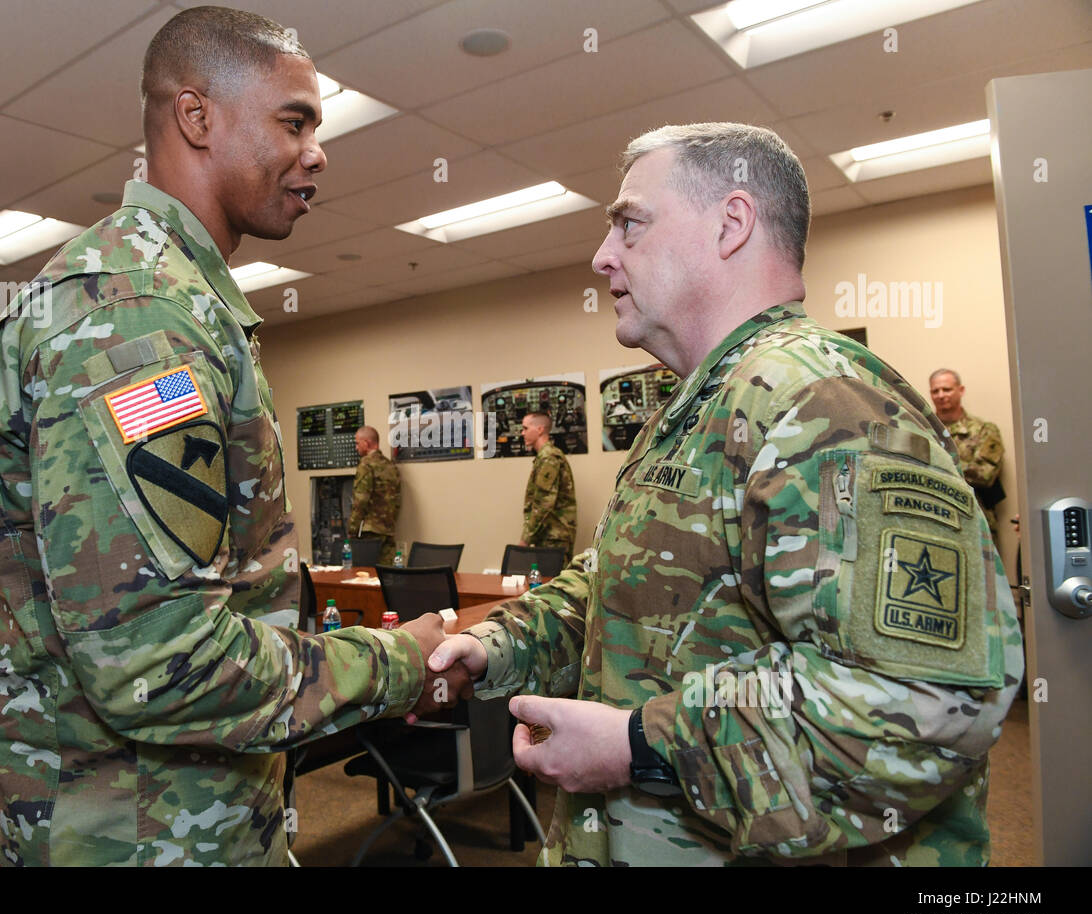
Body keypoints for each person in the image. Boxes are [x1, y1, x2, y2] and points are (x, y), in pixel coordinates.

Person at [431, 123, 1023, 866]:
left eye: (629, 224)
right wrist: (496, 647)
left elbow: (922, 704)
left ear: (731, 225)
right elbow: (622, 590)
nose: (602, 255)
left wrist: (640, 745)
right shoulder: (693, 411)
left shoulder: (824, 403)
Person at [0, 6, 465, 867]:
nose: (318, 152)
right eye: (294, 121)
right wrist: (395, 664)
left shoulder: (173, 300)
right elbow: (155, 662)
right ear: (197, 117)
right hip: (143, 837)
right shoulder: (137, 316)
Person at [929, 369, 1006, 544]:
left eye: (947, 389)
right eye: (935, 391)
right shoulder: (923, 430)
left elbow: (984, 475)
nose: (941, 395)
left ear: (960, 390)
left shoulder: (984, 430)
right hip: (932, 517)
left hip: (975, 519)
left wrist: (936, 466)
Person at [518, 412, 577, 561]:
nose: (522, 433)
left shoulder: (549, 458)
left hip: (553, 538)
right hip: (548, 536)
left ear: (539, 429)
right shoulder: (544, 457)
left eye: (525, 428)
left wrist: (525, 539)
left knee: (552, 583)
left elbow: (544, 502)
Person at [346, 425, 400, 564]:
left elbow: (360, 500)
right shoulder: (390, 465)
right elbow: (397, 500)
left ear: (366, 443)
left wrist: (352, 529)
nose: (356, 447)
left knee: (366, 576)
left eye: (357, 443)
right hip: (388, 530)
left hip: (370, 533)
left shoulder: (366, 464)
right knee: (386, 576)